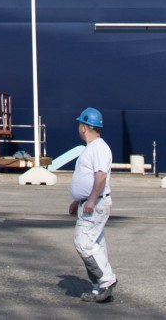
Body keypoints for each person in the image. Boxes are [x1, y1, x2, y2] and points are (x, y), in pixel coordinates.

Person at [68, 106, 116, 303]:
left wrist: (92, 200)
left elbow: (101, 176)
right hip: (88, 203)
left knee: (83, 243)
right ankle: (99, 288)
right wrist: (78, 201)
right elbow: (88, 178)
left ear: (84, 127)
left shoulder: (99, 148)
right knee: (96, 244)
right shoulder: (92, 148)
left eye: (80, 125)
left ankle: (107, 281)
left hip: (96, 203)